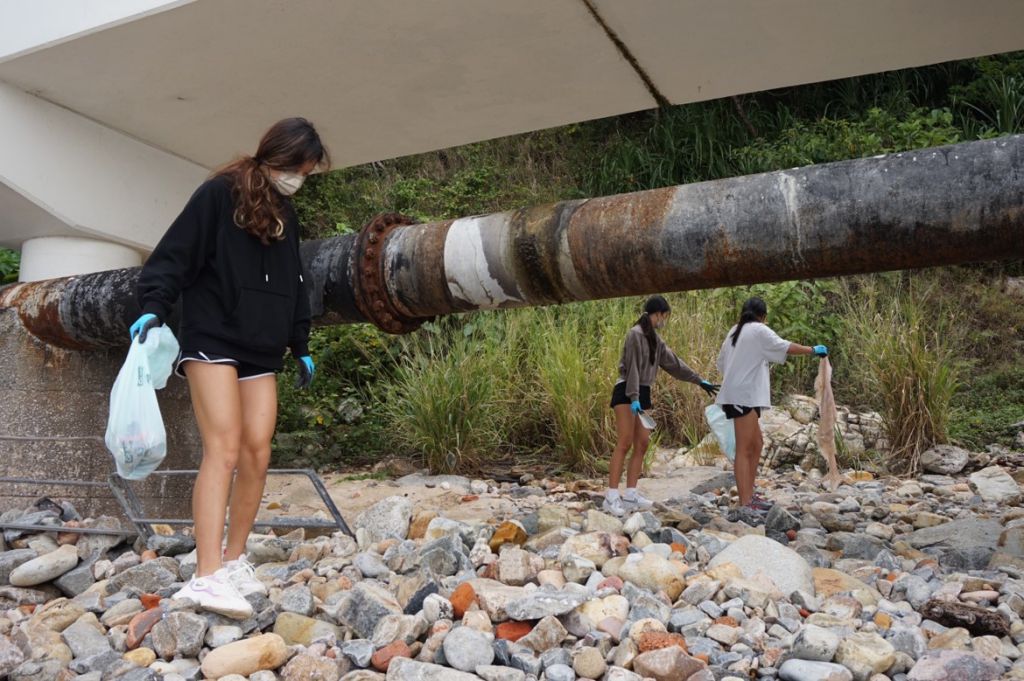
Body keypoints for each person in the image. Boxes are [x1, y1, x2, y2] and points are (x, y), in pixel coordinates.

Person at [129, 118, 329, 619]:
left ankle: (235, 561)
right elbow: (174, 254)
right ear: (277, 157)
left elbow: (294, 279)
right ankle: (205, 575)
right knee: (222, 447)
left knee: (257, 450)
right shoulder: (218, 194)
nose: (299, 179)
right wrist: (154, 305)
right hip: (213, 335)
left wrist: (299, 340)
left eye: (306, 172)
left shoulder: (286, 211)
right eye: (297, 169)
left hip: (261, 347)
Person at [603, 295, 720, 517]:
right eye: (665, 316)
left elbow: (674, 364)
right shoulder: (635, 334)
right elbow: (633, 367)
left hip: (642, 391)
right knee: (625, 441)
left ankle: (630, 494)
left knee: (643, 443)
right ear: (659, 314)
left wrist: (699, 380)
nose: (665, 320)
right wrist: (634, 396)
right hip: (627, 389)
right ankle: (611, 496)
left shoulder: (655, 339)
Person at [716, 296, 828, 517]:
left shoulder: (734, 331)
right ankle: (745, 502)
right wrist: (812, 350)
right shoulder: (758, 329)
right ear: (763, 315)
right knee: (744, 449)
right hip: (743, 396)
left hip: (741, 395)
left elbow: (721, 363)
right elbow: (784, 346)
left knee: (756, 444)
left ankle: (749, 494)